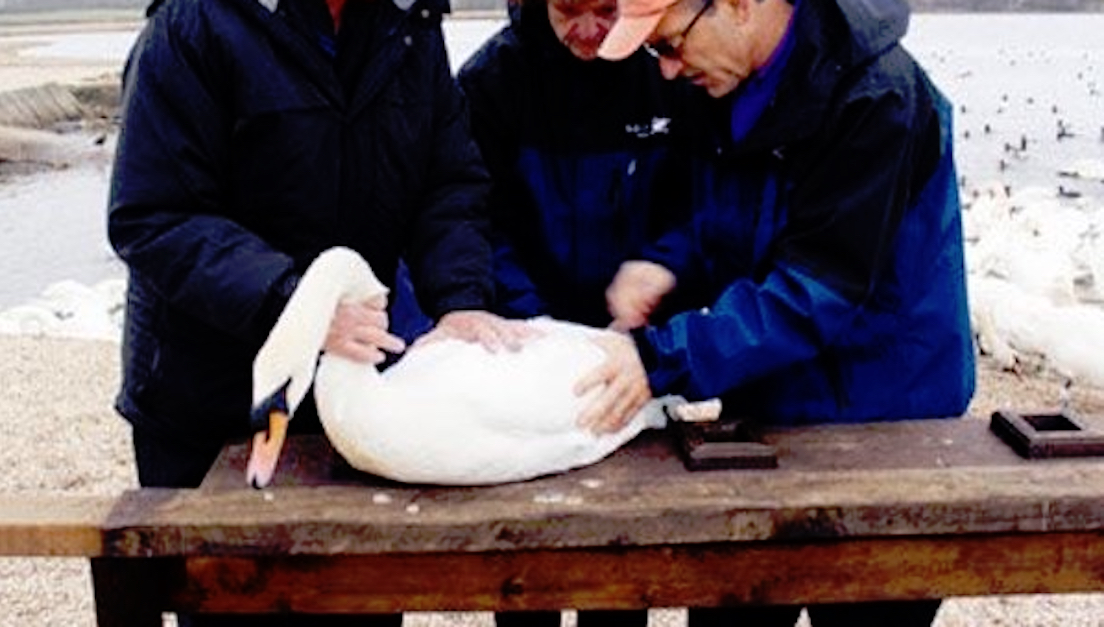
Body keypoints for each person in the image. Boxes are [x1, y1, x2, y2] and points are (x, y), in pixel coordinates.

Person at [108, 0, 524, 625]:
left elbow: (449, 184)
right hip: (209, 403)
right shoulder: (192, 27)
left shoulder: (410, 25)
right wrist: (295, 304)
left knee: (359, 600)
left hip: (348, 400)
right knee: (232, 604)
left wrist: (459, 301)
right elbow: (154, 215)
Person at [576, 0, 977, 624]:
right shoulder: (715, 81)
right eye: (655, 51)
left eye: (669, 44)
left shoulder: (880, 97)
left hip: (887, 422)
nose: (667, 70)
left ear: (739, 7)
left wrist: (659, 357)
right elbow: (712, 217)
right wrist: (666, 265)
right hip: (769, 405)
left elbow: (820, 289)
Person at [456, 0, 682, 625]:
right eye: (567, 10)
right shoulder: (489, 83)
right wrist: (536, 326)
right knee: (526, 560)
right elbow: (478, 220)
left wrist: (659, 277)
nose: (588, 32)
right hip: (528, 342)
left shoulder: (668, 68)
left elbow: (691, 205)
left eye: (605, 10)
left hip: (632, 347)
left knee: (620, 557)